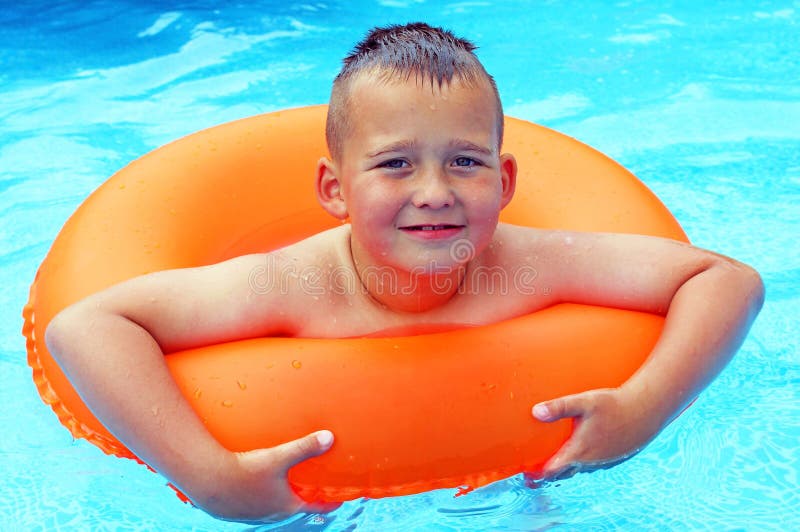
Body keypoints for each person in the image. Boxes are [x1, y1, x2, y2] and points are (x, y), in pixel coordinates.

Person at [45, 23, 764, 523]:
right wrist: (209, 477)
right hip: (314, 501)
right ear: (334, 192)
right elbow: (88, 326)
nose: (434, 191)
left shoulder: (528, 266)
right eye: (395, 164)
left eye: (465, 161)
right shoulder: (294, 287)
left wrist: (643, 410)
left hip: (503, 484)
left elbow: (727, 280)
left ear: (505, 179)